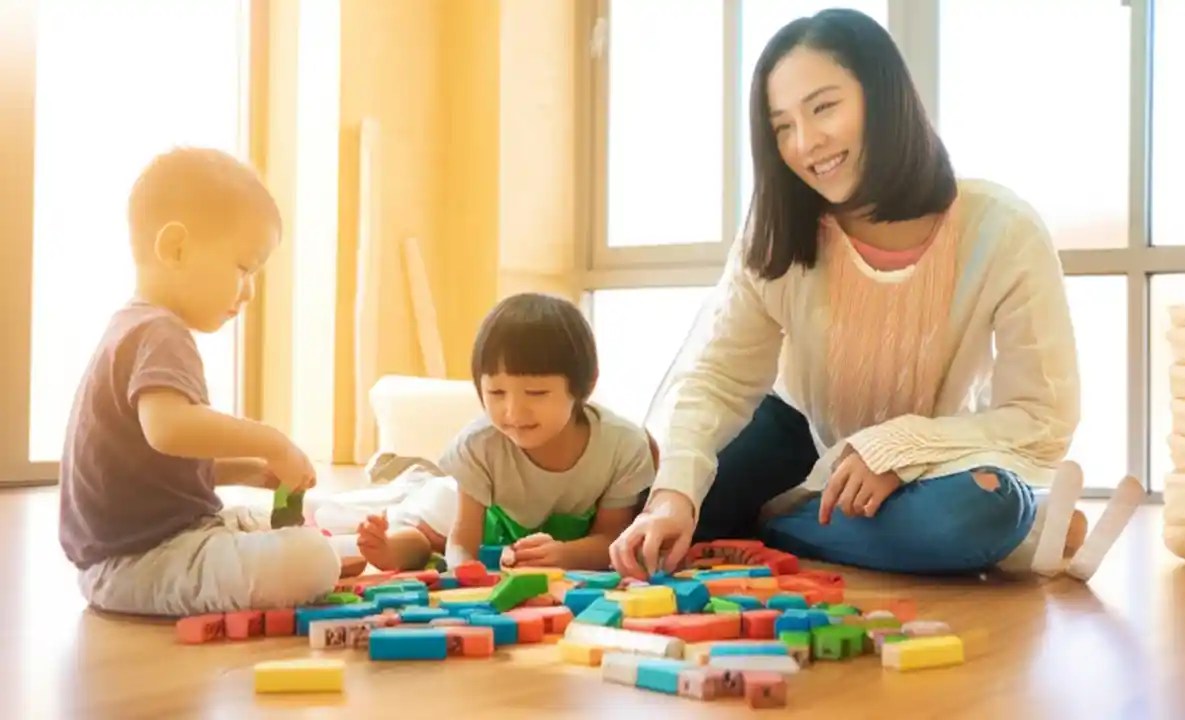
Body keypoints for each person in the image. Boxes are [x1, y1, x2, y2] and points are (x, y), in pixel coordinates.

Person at [609, 9, 1097, 579]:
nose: (806, 143)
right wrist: (673, 498)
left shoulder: (1004, 229)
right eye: (782, 126)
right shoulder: (778, 234)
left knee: (984, 506)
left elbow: (1042, 414)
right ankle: (789, 516)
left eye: (823, 108)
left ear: (883, 97)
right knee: (664, 506)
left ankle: (777, 525)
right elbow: (715, 379)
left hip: (936, 458)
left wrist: (899, 448)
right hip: (796, 441)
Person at [60, 147, 339, 616]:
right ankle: (326, 550)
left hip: (128, 554)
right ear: (176, 249)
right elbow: (168, 430)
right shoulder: (160, 331)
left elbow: (154, 469)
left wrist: (249, 470)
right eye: (242, 268)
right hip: (138, 561)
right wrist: (272, 442)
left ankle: (327, 541)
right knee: (311, 559)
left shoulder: (133, 326)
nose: (249, 291)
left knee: (267, 523)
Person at [354, 293, 657, 572]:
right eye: (497, 392)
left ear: (585, 386)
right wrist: (465, 576)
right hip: (467, 509)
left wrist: (565, 555)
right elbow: (461, 541)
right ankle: (389, 534)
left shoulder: (622, 446)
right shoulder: (478, 445)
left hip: (548, 534)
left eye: (537, 393)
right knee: (426, 536)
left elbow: (611, 538)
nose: (513, 412)